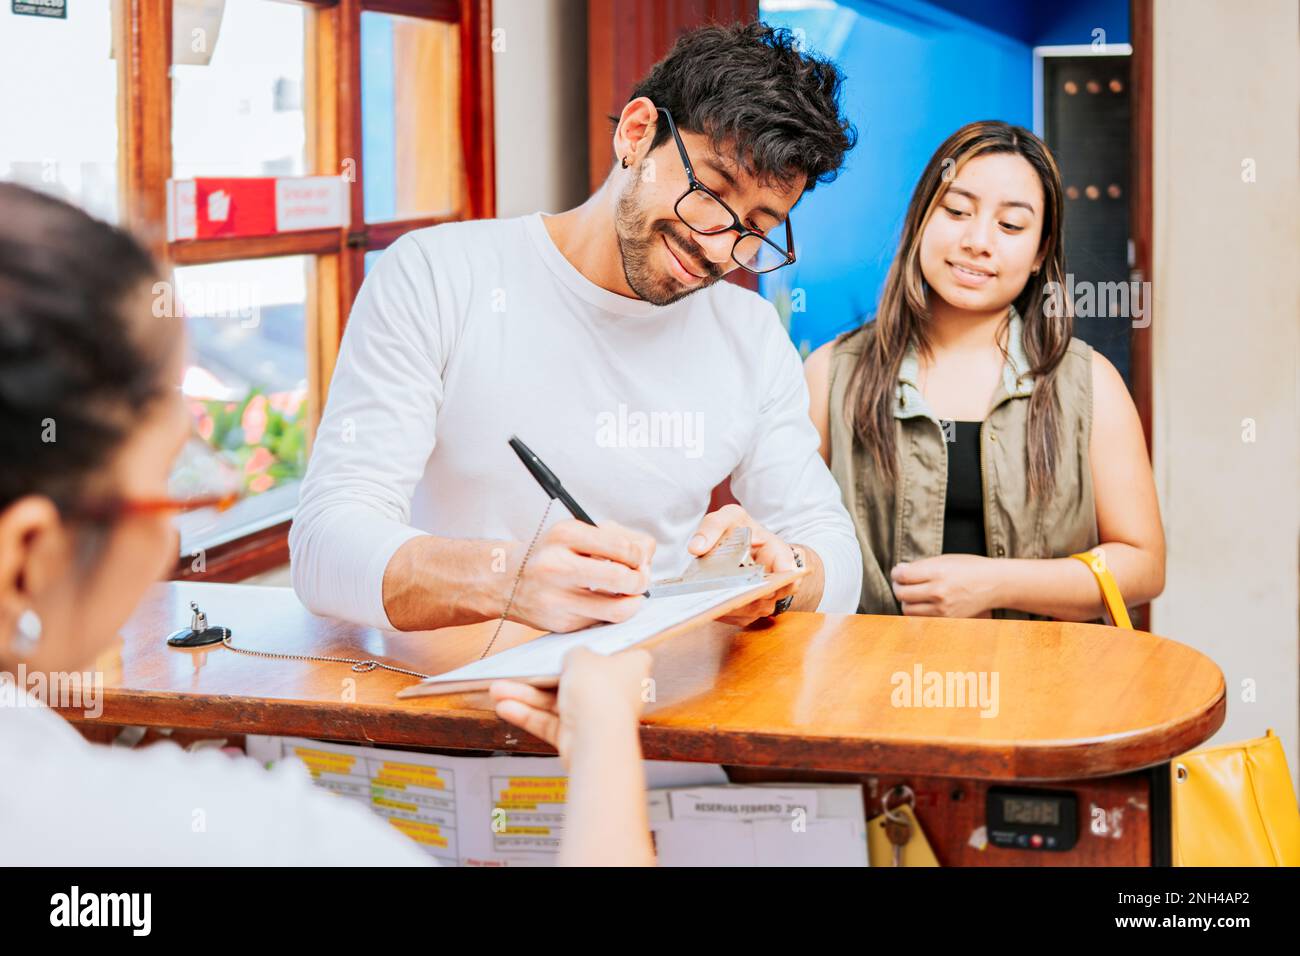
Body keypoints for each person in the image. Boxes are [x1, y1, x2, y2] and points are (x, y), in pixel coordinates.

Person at [0, 182, 654, 866]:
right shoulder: (222, 833)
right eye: (169, 484)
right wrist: (605, 737)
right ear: (28, 558)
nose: (171, 541)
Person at [289, 22, 863, 635]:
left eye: (756, 226)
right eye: (711, 193)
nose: (719, 249)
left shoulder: (748, 334)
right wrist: (504, 579)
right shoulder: (438, 274)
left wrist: (786, 573)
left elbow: (835, 552)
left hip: (643, 698)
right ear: (637, 134)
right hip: (456, 704)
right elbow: (324, 545)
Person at [804, 121, 1165, 620]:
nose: (978, 241)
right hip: (872, 689)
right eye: (956, 211)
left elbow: (1144, 567)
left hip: (1045, 690)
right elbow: (793, 549)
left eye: (1011, 226)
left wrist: (996, 584)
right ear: (921, 219)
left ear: (1040, 252)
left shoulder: (1090, 384)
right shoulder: (831, 375)